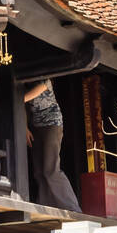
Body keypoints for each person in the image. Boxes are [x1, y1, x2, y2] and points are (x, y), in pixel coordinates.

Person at [23, 80, 81, 213]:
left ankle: (72, 208)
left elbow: (23, 98)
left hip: (52, 124)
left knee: (50, 169)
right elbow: (23, 106)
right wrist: (25, 127)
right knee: (39, 171)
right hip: (36, 127)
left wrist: (15, 96)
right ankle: (45, 206)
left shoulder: (45, 81)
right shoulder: (24, 84)